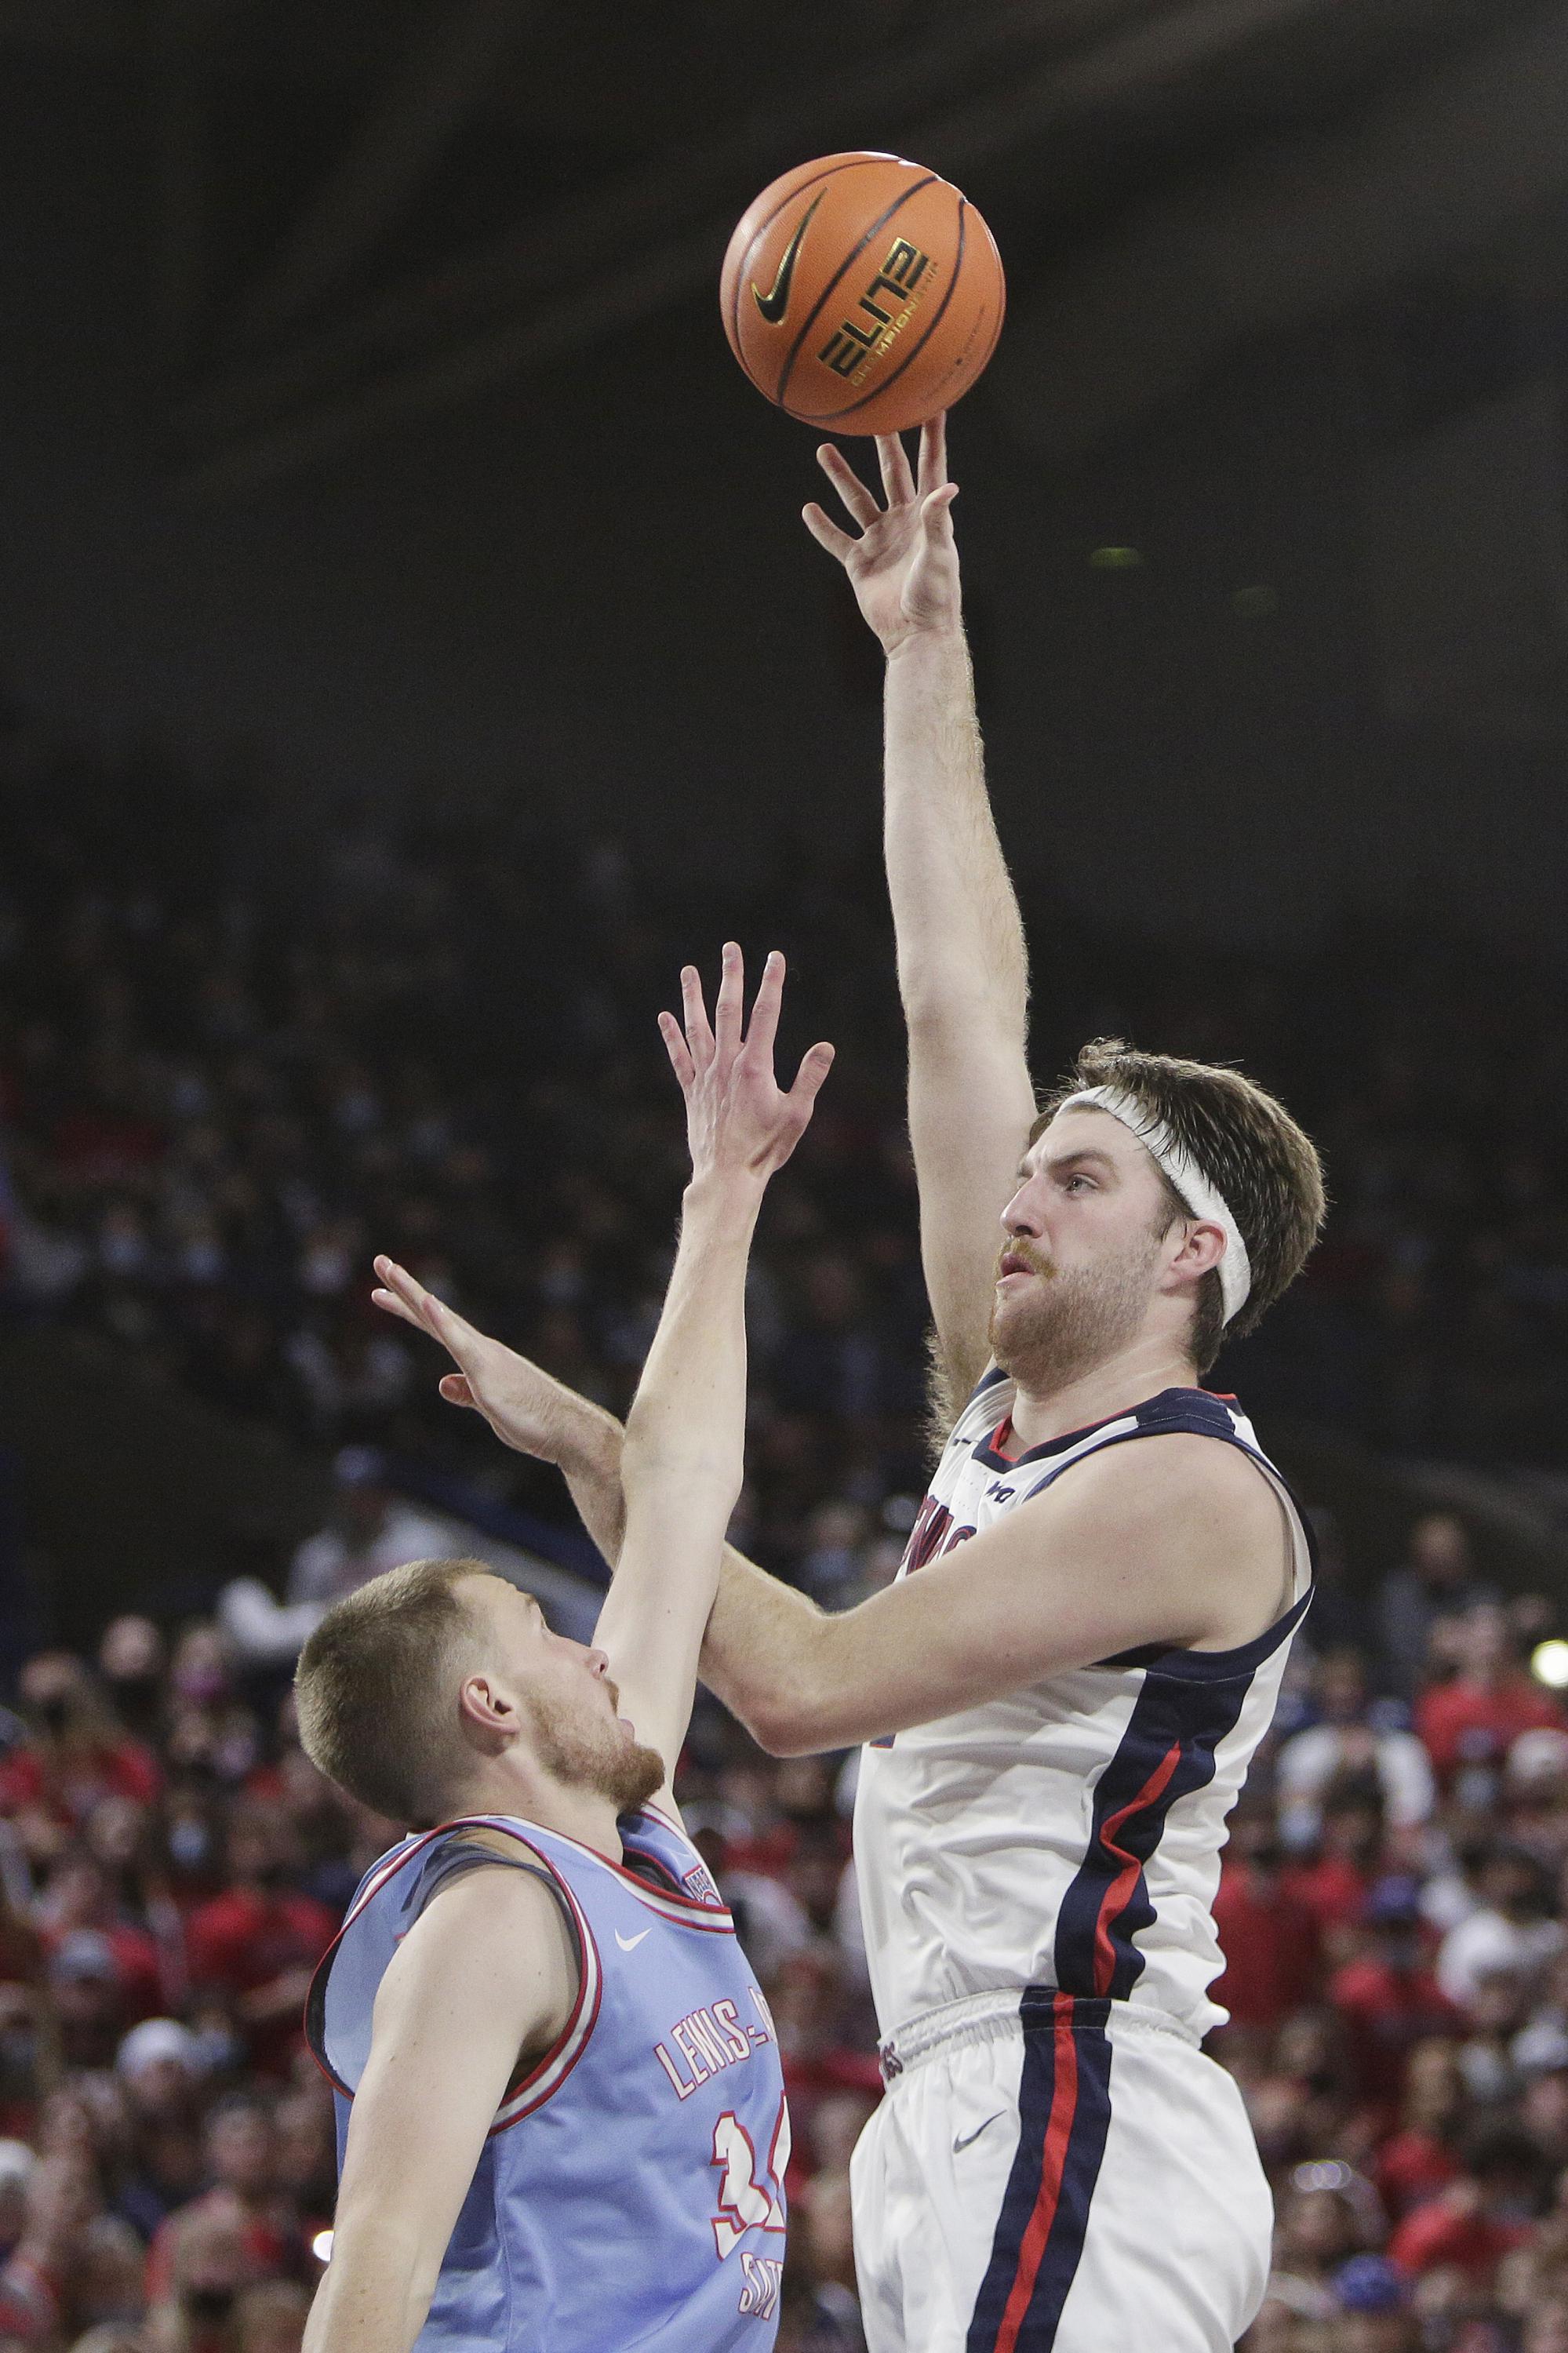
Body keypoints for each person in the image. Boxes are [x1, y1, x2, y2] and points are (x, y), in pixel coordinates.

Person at [373, 419, 1327, 2352]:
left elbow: (796, 1686)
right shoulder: (1003, 1411)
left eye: (1078, 1176)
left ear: (1191, 1254)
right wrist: (918, 649)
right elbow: (954, 1000)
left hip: (1076, 2092)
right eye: (1031, 1162)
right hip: (952, 2106)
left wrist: (601, 1442)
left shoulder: (1195, 1493)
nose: (1019, 1196)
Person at [300, 947, 832, 2353]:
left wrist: (725, 1193)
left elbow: (680, 1502)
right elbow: (374, 2276)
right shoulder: (487, 1925)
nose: (594, 1647)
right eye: (545, 1629)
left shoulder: (620, 1821)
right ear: (488, 1703)